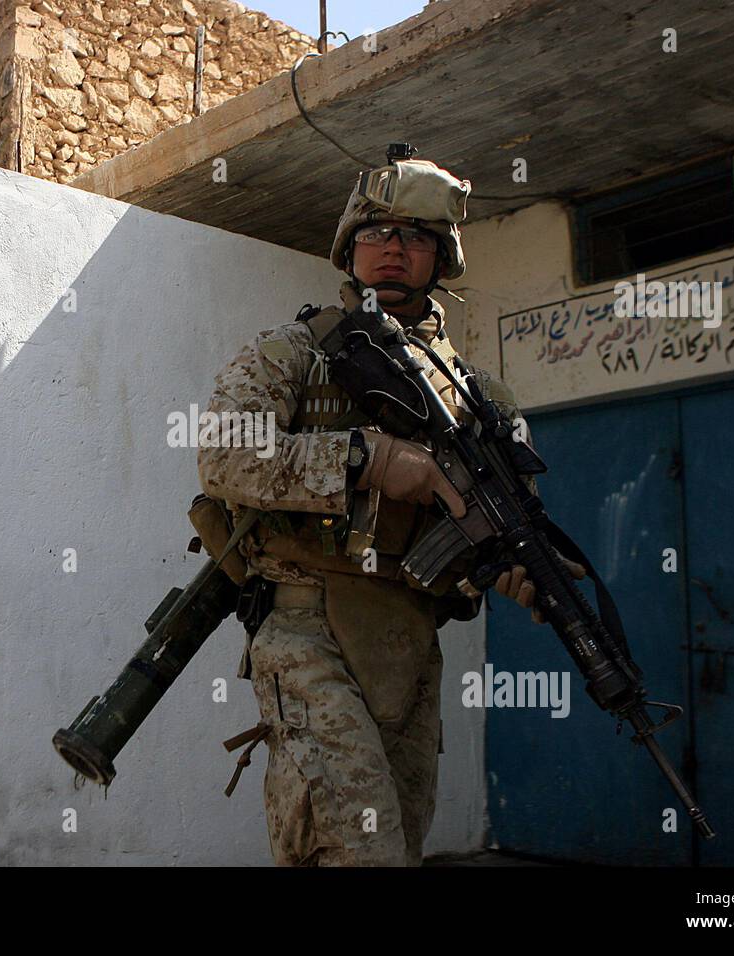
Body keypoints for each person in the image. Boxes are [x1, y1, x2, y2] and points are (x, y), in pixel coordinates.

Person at [196, 148, 576, 866]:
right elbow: (220, 452)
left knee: (400, 843)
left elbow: (498, 524)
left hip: (410, 642)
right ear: (349, 250)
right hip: (308, 631)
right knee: (358, 851)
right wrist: (365, 459)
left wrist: (517, 567)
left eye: (417, 237)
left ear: (442, 256)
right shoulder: (295, 351)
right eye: (378, 234)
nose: (395, 249)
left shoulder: (481, 396)